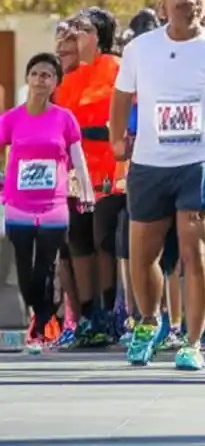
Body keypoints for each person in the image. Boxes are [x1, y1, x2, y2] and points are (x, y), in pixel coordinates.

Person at [109, 0, 205, 371]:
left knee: (198, 250)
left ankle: (192, 341)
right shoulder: (141, 48)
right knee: (143, 255)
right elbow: (121, 97)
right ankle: (148, 324)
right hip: (150, 165)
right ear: (163, 2)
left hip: (199, 162)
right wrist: (119, 140)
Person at [2, 53, 94, 354]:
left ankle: (41, 326)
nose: (41, 80)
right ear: (27, 79)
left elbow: (77, 157)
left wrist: (86, 189)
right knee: (26, 273)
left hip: (54, 204)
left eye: (48, 75)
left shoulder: (64, 118)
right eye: (36, 74)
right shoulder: (11, 119)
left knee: (46, 266)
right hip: (18, 204)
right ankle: (40, 316)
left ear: (55, 83)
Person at [54, 7, 122, 347]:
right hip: (75, 175)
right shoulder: (69, 77)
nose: (75, 36)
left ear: (97, 36)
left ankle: (109, 313)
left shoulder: (115, 67)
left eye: (82, 30)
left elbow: (119, 119)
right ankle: (86, 314)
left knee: (102, 241)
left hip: (109, 172)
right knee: (78, 241)